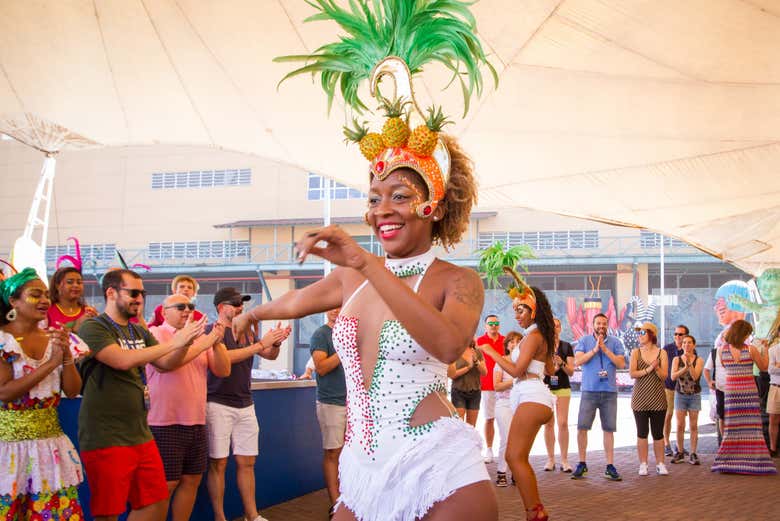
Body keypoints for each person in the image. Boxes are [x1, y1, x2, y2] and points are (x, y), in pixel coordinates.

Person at [231, 143, 496, 520]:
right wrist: (251, 314)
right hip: (361, 472)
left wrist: (368, 264)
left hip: (438, 468)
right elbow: (294, 302)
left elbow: (449, 345)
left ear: (434, 207)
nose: (383, 209)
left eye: (400, 196)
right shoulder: (350, 277)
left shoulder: (458, 280)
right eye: (374, 199)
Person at [77, 269, 205, 521]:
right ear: (111, 293)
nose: (139, 299)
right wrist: (177, 342)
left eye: (142, 293)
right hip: (105, 435)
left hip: (139, 433)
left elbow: (167, 363)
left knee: (155, 502)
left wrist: (186, 342)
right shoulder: (93, 326)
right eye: (133, 293)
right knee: (109, 511)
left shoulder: (139, 331)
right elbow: (121, 360)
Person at [0, 268, 85, 520]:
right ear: (13, 301)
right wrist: (50, 364)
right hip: (9, 450)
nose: (45, 301)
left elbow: (72, 391)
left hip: (50, 448)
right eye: (35, 295)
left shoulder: (56, 337)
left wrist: (66, 357)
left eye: (46, 295)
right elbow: (4, 393)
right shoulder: (4, 340)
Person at [205, 288, 289, 521]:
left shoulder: (248, 330)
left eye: (241, 303)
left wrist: (276, 343)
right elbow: (224, 361)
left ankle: (252, 515)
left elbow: (268, 356)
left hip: (245, 402)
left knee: (247, 461)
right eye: (235, 304)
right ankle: (220, 517)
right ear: (222, 307)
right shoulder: (212, 331)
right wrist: (262, 344)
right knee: (218, 463)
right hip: (217, 402)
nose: (241, 307)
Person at [147, 294, 231, 521]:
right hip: (165, 421)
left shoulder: (200, 338)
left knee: (192, 480)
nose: (187, 310)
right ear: (164, 312)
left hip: (196, 420)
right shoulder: (156, 333)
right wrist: (204, 341)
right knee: (167, 484)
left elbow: (223, 371)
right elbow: (169, 364)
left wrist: (218, 341)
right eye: (180, 306)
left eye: (191, 306)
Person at [480, 280, 556, 521]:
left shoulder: (534, 336)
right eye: (514, 310)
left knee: (514, 457)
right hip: (532, 395)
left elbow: (516, 370)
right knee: (516, 457)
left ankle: (535, 513)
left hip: (532, 395)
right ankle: (534, 512)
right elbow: (550, 368)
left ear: (533, 310)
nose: (516, 314)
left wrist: (491, 353)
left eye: (520, 309)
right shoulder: (534, 336)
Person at [712, 320, 776, 474]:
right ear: (743, 334)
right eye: (748, 333)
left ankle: (730, 461)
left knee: (732, 427)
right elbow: (764, 367)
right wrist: (766, 350)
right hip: (748, 391)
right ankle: (753, 460)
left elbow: (726, 366)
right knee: (752, 427)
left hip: (732, 392)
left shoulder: (722, 350)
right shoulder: (751, 349)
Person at [571, 313, 626, 481]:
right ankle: (582, 463)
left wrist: (605, 350)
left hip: (609, 392)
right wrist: (594, 350)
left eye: (604, 323)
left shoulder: (616, 342)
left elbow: (621, 363)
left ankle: (610, 466)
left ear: (608, 325)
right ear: (592, 325)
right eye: (598, 323)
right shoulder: (584, 341)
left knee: (609, 429)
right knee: (582, 428)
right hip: (589, 390)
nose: (601, 326)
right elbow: (578, 361)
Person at [310, 307, 347, 518]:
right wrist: (343, 350)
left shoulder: (351, 333)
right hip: (331, 402)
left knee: (348, 454)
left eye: (339, 306)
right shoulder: (321, 334)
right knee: (333, 452)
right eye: (330, 306)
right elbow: (321, 367)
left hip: (353, 403)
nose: (334, 310)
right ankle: (335, 503)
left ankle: (348, 499)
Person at [628, 322, 669, 476]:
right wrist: (648, 369)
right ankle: (643, 463)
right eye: (638, 332)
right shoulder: (636, 352)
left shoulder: (662, 353)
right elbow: (632, 373)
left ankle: (660, 463)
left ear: (651, 334)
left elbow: (664, 376)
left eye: (643, 332)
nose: (639, 335)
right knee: (642, 432)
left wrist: (657, 367)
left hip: (658, 398)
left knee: (658, 433)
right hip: (640, 398)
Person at [542, 317, 575, 472]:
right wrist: (552, 368)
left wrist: (561, 363)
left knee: (562, 423)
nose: (554, 329)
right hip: (546, 387)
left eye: (557, 326)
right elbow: (541, 370)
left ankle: (564, 459)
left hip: (562, 387)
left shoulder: (566, 346)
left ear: (560, 328)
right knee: (548, 423)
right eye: (551, 326)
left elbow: (571, 371)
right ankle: (550, 459)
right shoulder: (542, 346)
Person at [492, 331, 523, 487]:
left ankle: (516, 472)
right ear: (507, 345)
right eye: (511, 341)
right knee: (507, 437)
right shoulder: (501, 362)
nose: (515, 343)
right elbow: (497, 386)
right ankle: (501, 472)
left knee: (519, 440)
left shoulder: (524, 363)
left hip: (521, 404)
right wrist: (514, 380)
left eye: (518, 341)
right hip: (504, 403)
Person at [670, 334, 704, 465]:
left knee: (693, 425)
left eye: (689, 342)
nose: (686, 345)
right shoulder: (676, 359)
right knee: (679, 425)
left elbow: (695, 377)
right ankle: (679, 452)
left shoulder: (699, 360)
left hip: (694, 395)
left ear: (694, 345)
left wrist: (690, 365)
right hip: (680, 394)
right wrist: (684, 367)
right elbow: (673, 377)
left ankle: (693, 453)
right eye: (684, 343)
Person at [476, 314, 505, 462]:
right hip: (486, 385)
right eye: (490, 323)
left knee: (505, 418)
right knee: (489, 418)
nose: (493, 325)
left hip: (504, 386)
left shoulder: (505, 341)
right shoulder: (479, 342)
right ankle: (488, 449)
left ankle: (505, 448)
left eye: (496, 323)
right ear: (485, 326)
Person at [662, 324, 689, 456]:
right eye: (676, 334)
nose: (677, 336)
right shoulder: (667, 348)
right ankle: (666, 444)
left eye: (680, 334)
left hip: (683, 389)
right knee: (668, 415)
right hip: (669, 387)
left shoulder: (689, 349)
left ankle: (679, 446)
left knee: (681, 420)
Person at [448, 338, 487, 426]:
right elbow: (451, 375)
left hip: (475, 391)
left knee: (471, 427)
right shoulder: (455, 353)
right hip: (458, 391)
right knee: (459, 425)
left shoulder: (478, 352)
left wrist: (476, 362)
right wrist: (468, 367)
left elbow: (484, 372)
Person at [47, 266, 98, 331]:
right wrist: (75, 327)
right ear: (57, 286)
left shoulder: (89, 311)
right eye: (70, 282)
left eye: (79, 282)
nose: (76, 285)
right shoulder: (47, 311)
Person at [767, 312, 780, 457]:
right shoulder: (773, 350)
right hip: (775, 388)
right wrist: (777, 366)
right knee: (773, 419)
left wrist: (778, 366)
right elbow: (770, 369)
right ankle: (773, 447)